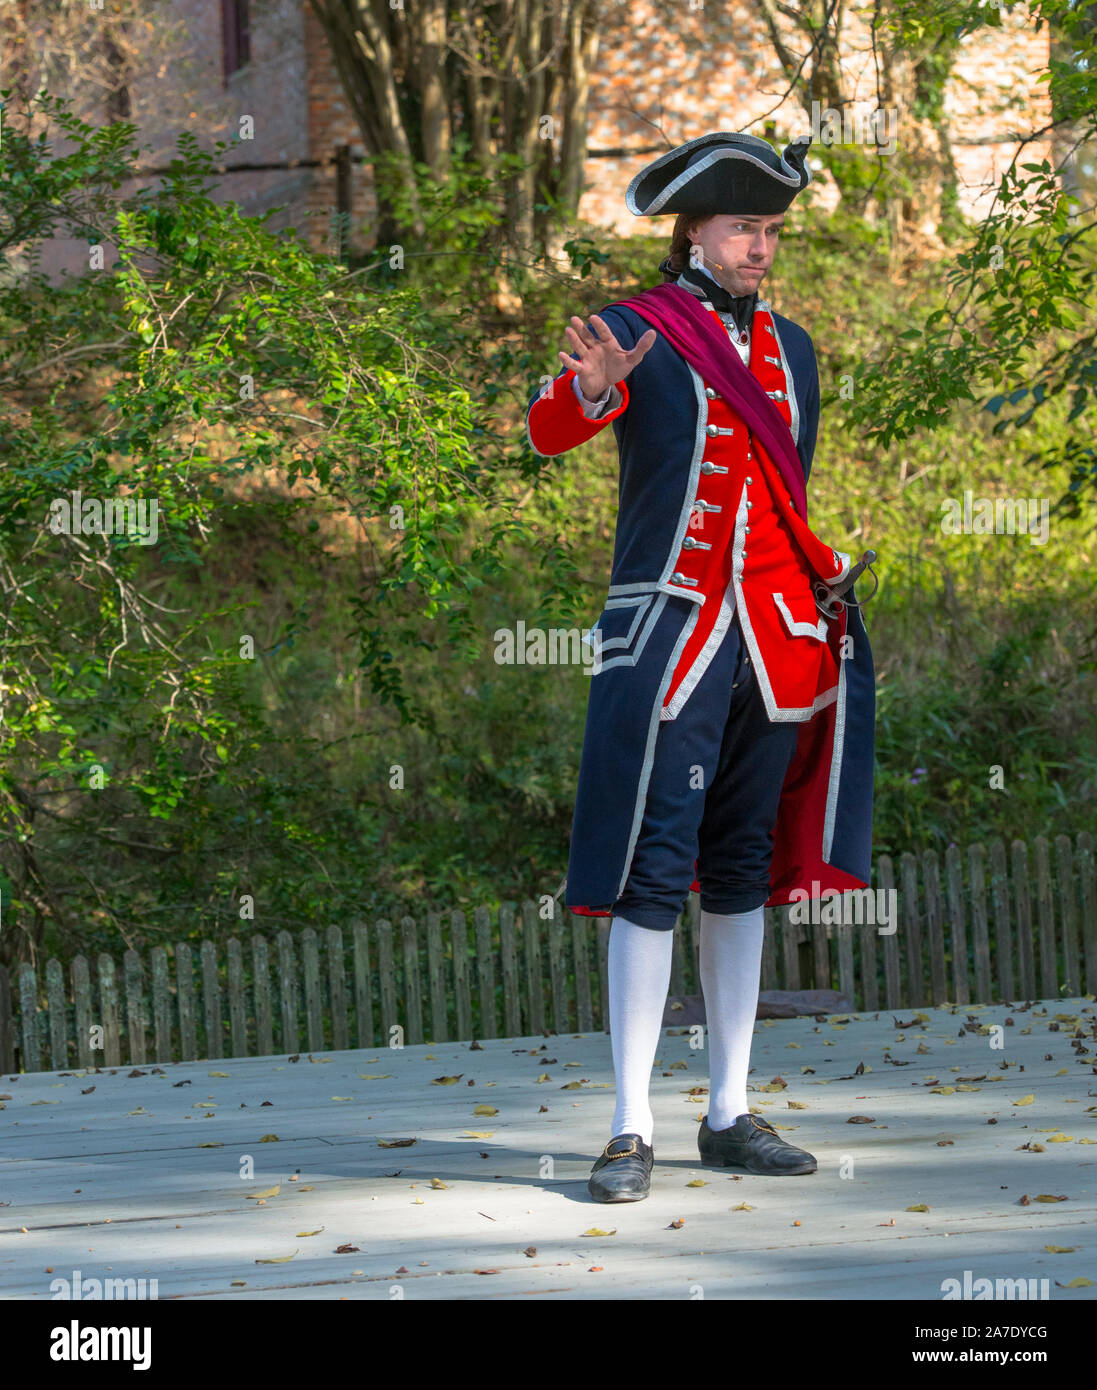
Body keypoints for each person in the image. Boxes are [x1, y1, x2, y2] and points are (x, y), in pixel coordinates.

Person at [525, 131, 876, 1201]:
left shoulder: (795, 350)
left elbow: (784, 493)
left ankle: (726, 1109)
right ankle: (630, 1125)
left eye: (769, 230)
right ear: (692, 231)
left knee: (738, 873)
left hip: (773, 645)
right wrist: (586, 396)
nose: (759, 248)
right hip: (670, 638)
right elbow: (544, 432)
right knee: (649, 874)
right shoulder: (629, 331)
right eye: (741, 229)